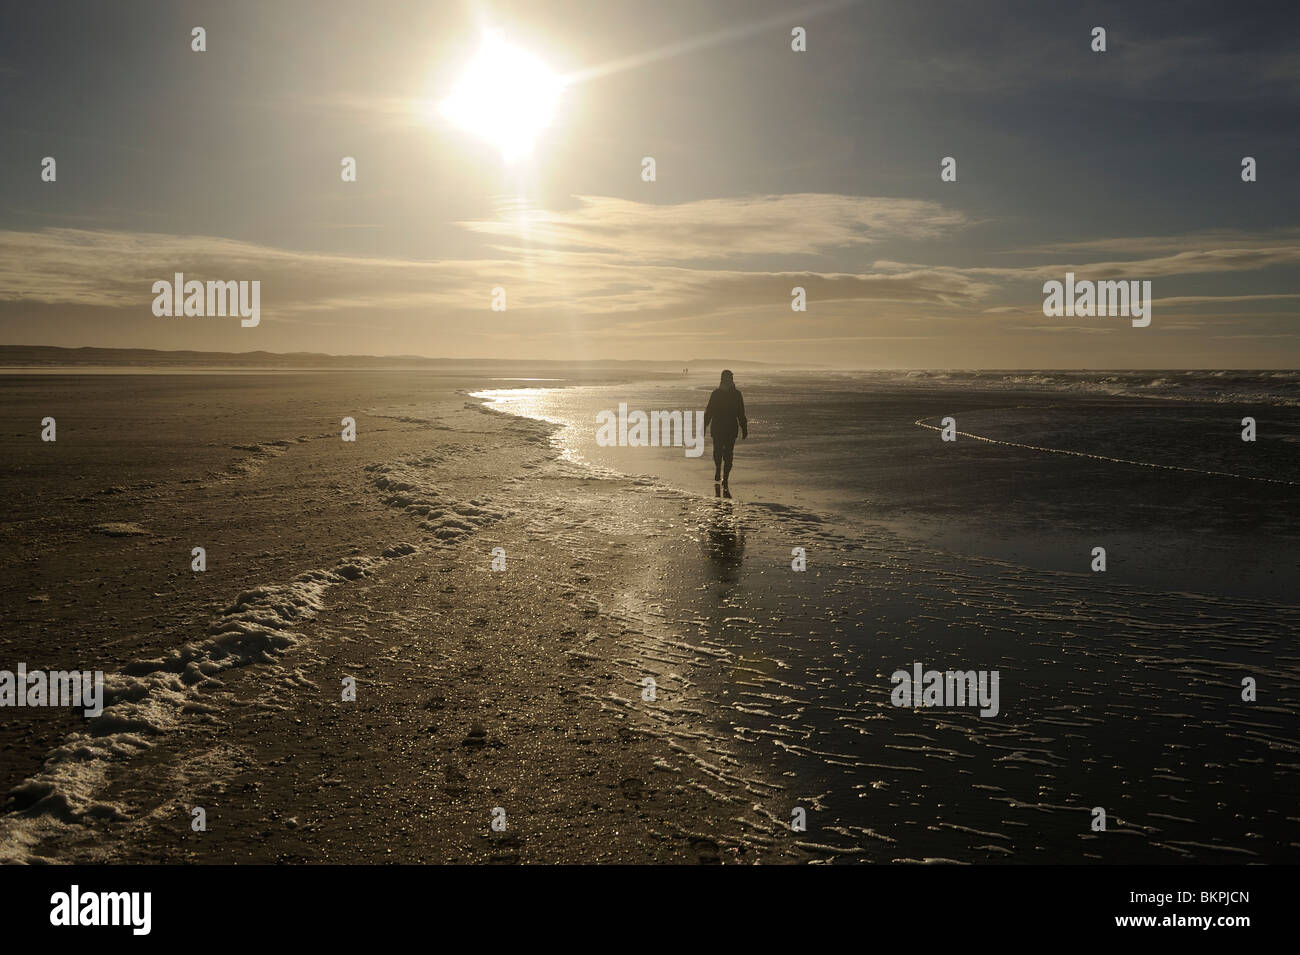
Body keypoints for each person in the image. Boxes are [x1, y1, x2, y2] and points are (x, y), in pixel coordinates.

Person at [703, 369, 748, 486]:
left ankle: (726, 477)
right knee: (717, 452)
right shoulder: (716, 393)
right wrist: (703, 426)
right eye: (728, 377)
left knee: (728, 454)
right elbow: (709, 411)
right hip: (717, 427)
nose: (730, 379)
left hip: (731, 429)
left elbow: (741, 412)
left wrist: (744, 427)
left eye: (731, 378)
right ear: (723, 379)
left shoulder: (737, 394)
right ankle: (718, 468)